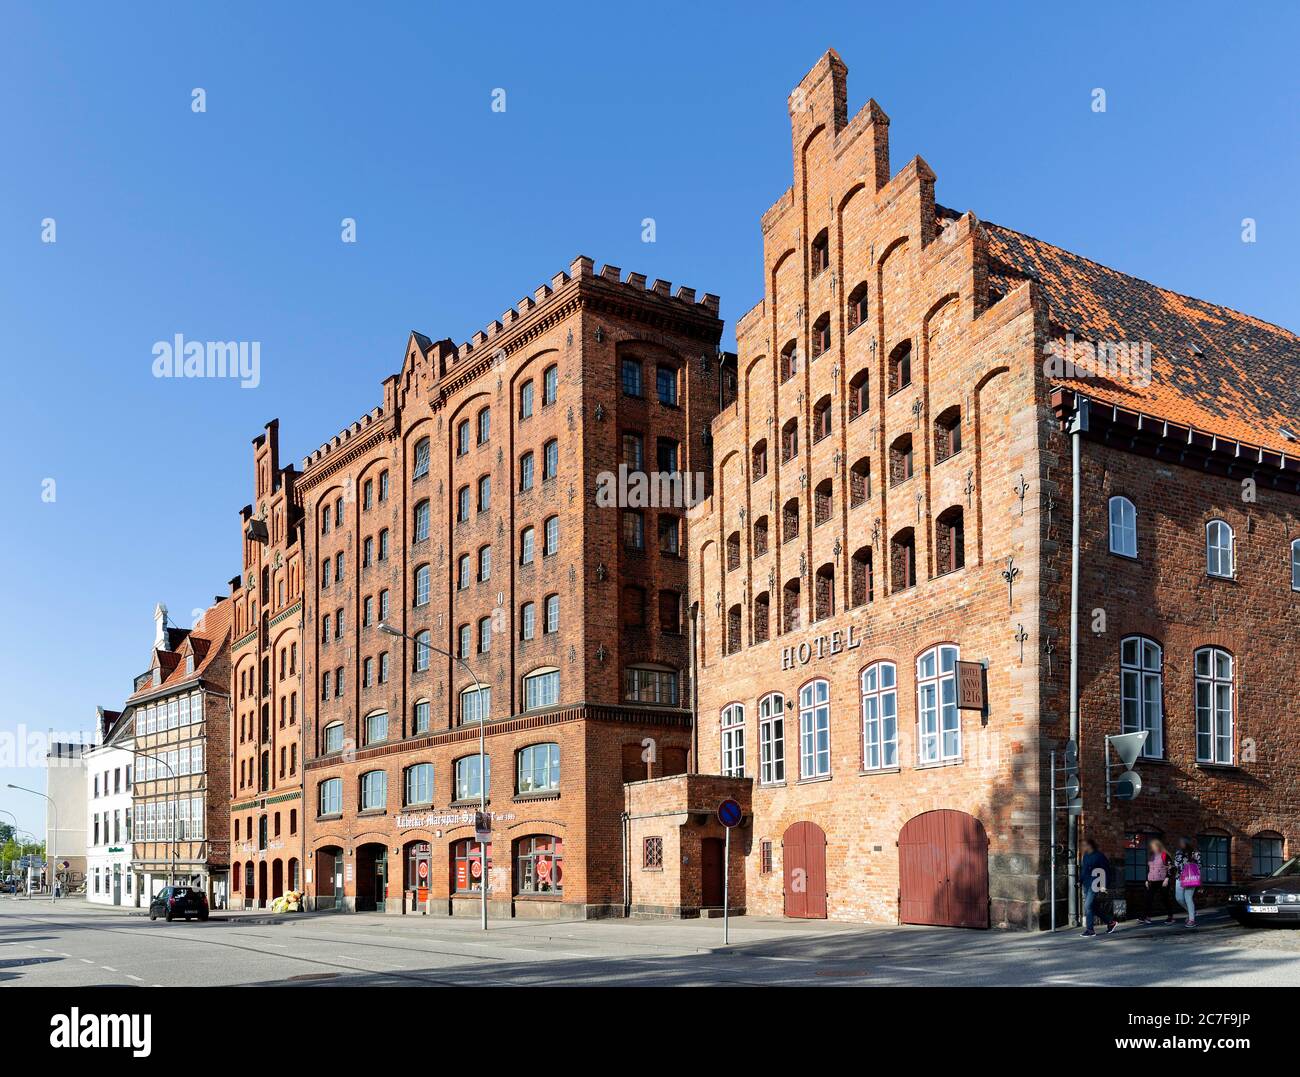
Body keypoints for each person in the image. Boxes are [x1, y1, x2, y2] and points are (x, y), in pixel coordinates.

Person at [1079, 837, 1118, 937]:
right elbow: (1083, 871)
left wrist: (1104, 884)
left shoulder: (1099, 856)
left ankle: (1090, 930)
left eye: (1084, 845)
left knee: (1087, 906)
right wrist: (1079, 881)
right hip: (1087, 885)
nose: (1082, 847)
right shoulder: (1086, 856)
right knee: (1093, 907)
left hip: (1095, 885)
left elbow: (1106, 871)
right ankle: (1111, 922)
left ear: (1090, 845)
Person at [1138, 838, 1174, 924]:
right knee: (1148, 899)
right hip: (1151, 881)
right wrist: (1146, 880)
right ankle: (1146, 917)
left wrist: (1167, 879)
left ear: (1158, 846)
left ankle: (1170, 916)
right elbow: (1149, 869)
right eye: (1151, 846)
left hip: (1162, 881)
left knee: (1165, 899)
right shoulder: (1151, 856)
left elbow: (1171, 868)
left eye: (1154, 846)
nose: (1152, 848)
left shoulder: (1165, 855)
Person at [1174, 837, 1201, 928]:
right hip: (1179, 878)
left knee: (1188, 898)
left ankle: (1191, 920)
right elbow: (1176, 865)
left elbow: (1199, 866)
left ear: (1186, 843)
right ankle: (1192, 912)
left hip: (1190, 878)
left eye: (1182, 842)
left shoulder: (1195, 853)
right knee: (1179, 898)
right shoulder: (1178, 852)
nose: (1180, 844)